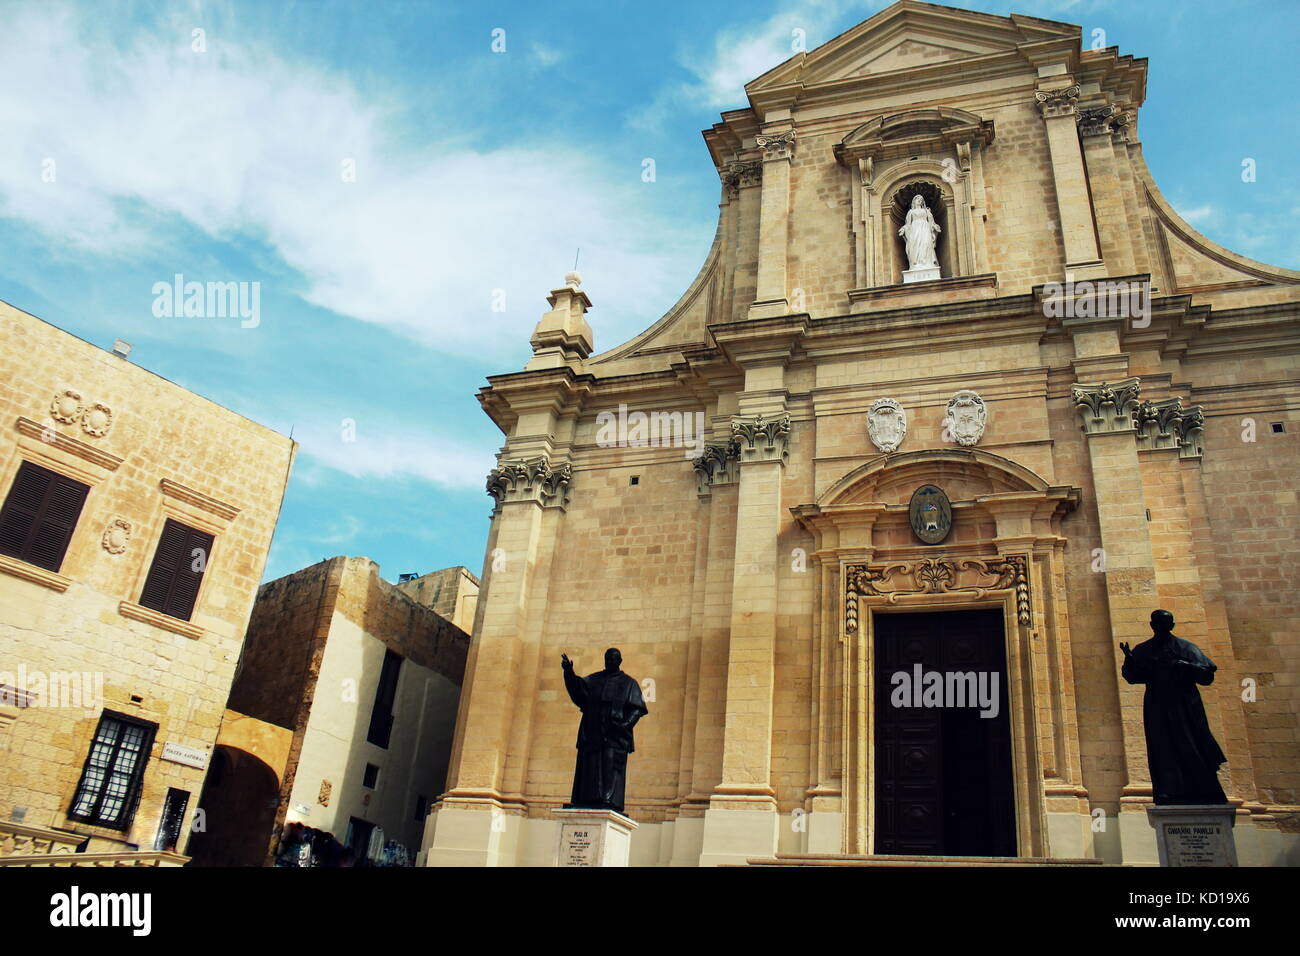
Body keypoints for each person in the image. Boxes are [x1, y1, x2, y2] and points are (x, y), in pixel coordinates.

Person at [1121, 609, 1228, 804]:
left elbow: (1207, 676)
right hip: (1158, 706)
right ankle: (1168, 790)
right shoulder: (1144, 649)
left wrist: (1185, 666)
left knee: (1192, 744)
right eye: (1157, 623)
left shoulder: (1186, 647)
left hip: (1186, 706)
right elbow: (1132, 677)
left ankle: (1205, 789)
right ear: (1152, 625)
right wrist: (1130, 660)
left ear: (1172, 626)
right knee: (1162, 747)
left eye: (1165, 623)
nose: (1161, 627)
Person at [561, 648, 647, 814]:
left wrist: (626, 724)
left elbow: (637, 709)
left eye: (614, 659)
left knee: (610, 767)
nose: (610, 661)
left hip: (614, 734)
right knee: (589, 765)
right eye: (607, 658)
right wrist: (569, 673)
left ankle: (608, 799)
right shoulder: (595, 679)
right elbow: (578, 689)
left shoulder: (629, 683)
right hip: (592, 731)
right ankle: (586, 799)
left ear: (620, 661)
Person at [898, 194, 941, 270]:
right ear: (914, 201)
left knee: (926, 243)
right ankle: (916, 263)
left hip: (925, 229)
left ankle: (927, 263)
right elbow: (908, 224)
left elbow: (931, 222)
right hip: (915, 229)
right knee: (915, 245)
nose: (919, 201)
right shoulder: (911, 212)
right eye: (918, 199)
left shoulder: (926, 211)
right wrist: (903, 229)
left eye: (921, 200)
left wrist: (935, 226)